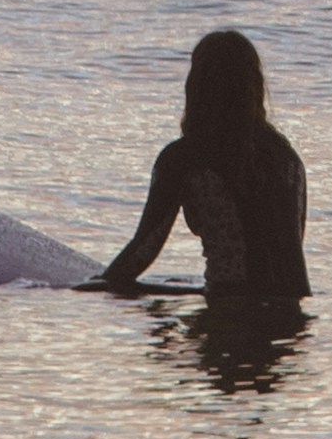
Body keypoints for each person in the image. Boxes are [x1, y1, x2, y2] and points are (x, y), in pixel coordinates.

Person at [88, 26, 308, 308]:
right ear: (255, 87)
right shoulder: (287, 160)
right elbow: (286, 254)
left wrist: (90, 287)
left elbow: (142, 252)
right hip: (292, 317)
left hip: (230, 313)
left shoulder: (184, 159)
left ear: (196, 87)